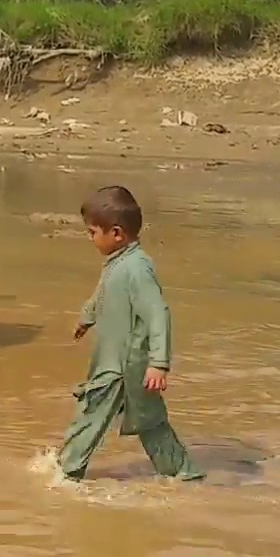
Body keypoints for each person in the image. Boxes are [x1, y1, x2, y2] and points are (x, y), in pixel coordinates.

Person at [59, 185, 204, 482]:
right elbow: (103, 294)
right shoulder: (118, 262)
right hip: (125, 364)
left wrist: (159, 363)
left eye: (91, 232)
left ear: (116, 233)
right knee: (152, 424)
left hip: (123, 367)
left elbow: (158, 314)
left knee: (90, 415)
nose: (90, 238)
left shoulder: (138, 268)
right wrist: (86, 318)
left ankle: (66, 473)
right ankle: (184, 474)